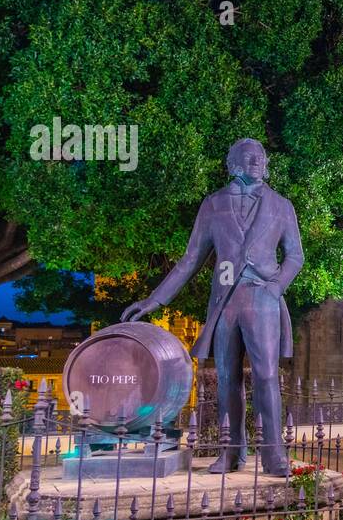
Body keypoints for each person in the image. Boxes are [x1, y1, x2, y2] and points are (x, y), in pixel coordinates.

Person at [121, 138, 303, 474]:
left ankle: (274, 454)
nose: (258, 163)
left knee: (266, 375)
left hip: (263, 297)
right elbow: (190, 260)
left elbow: (295, 256)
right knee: (226, 377)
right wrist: (155, 299)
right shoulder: (213, 204)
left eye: (262, 159)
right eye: (250, 159)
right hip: (224, 301)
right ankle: (231, 452)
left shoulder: (282, 206)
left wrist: (276, 288)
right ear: (233, 164)